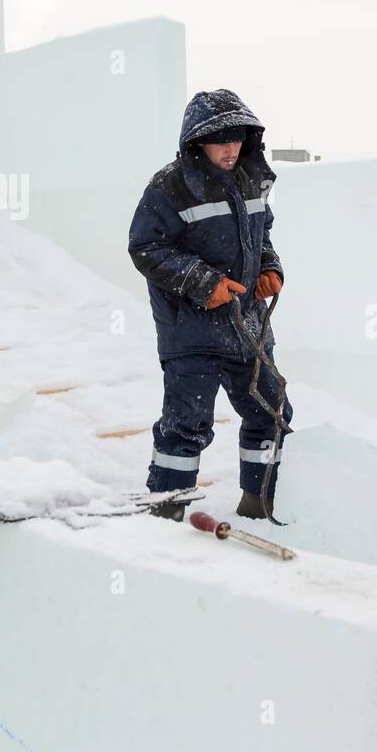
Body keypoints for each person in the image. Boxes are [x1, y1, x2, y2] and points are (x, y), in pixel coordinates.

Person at [128, 89, 291, 520]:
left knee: (272, 414)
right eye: (220, 140)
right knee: (185, 430)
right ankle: (166, 514)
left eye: (237, 138)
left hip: (248, 331)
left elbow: (262, 234)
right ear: (196, 141)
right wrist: (205, 283)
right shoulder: (169, 187)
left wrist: (268, 267)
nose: (231, 148)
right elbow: (144, 247)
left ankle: (259, 506)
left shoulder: (251, 178)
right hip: (192, 334)